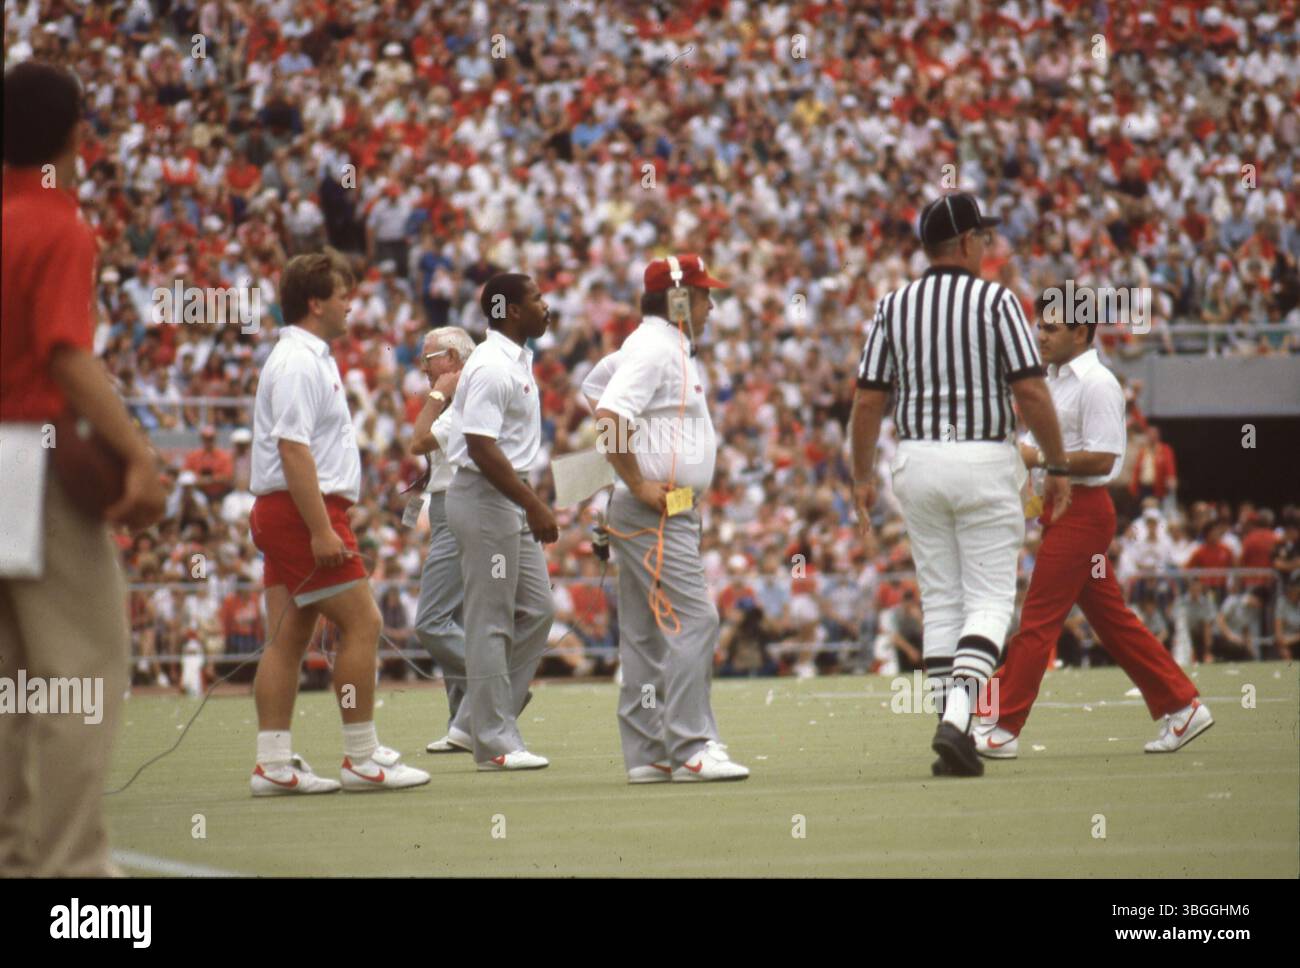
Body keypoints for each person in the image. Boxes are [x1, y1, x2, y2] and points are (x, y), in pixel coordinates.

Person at [1, 60, 168, 876]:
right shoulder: (55, 224)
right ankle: (69, 876)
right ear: (77, 137)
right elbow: (66, 356)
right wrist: (138, 454)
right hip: (28, 458)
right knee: (79, 674)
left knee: (9, 682)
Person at [851, 193, 1072, 778]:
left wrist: (860, 475)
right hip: (983, 457)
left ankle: (952, 722)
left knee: (942, 599)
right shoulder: (996, 301)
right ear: (969, 242)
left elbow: (869, 398)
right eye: (985, 238)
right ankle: (958, 721)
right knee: (991, 599)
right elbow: (1029, 391)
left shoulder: (894, 305)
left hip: (918, 460)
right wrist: (1058, 465)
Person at [975, 290, 1211, 758]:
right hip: (1063, 508)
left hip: (1083, 511)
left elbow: (1106, 459)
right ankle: (1182, 705)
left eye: (1051, 327)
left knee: (1039, 620)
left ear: (1081, 332)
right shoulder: (1053, 378)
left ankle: (1000, 723)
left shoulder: (1098, 383)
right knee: (1113, 621)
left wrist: (1036, 456)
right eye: (1040, 325)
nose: (1040, 334)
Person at [247, 248, 429, 794]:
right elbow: (293, 449)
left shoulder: (310, 356)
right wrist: (322, 528)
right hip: (305, 510)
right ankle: (361, 755)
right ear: (315, 301)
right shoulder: (299, 361)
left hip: (292, 508)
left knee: (287, 638)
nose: (352, 303)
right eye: (343, 294)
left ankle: (274, 764)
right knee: (363, 623)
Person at [588, 254, 750, 784]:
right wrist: (635, 481)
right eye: (704, 295)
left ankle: (649, 751)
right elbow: (610, 414)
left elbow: (595, 388)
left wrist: (625, 481)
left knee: (645, 635)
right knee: (696, 619)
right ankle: (691, 744)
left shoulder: (654, 345)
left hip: (658, 508)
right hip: (655, 510)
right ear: (679, 299)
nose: (711, 305)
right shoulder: (658, 348)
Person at [444, 273, 557, 771]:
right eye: (536, 298)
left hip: (506, 495)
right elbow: (480, 446)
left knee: (538, 609)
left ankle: (477, 721)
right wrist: (533, 503)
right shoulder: (492, 365)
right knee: (490, 622)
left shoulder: (513, 359)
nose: (546, 305)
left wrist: (527, 500)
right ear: (510, 310)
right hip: (487, 495)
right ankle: (494, 743)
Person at [409, 325, 530, 753]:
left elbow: (418, 440)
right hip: (448, 504)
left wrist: (438, 394)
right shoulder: (467, 382)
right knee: (453, 617)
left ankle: (493, 685)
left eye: (429, 359)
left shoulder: (463, 387)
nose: (423, 368)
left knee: (433, 621)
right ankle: (464, 721)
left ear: (453, 358)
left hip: (460, 505)